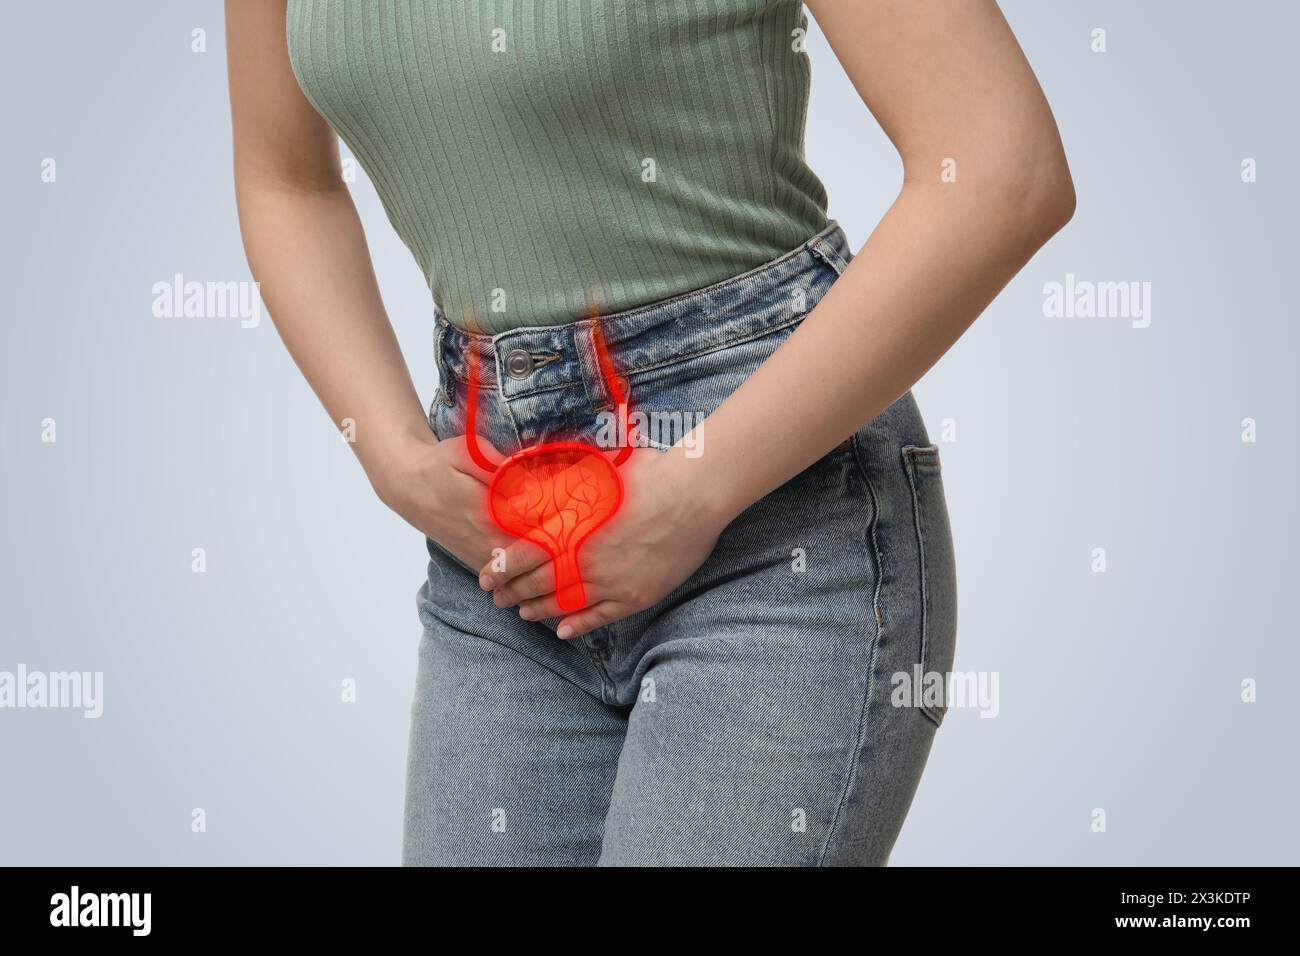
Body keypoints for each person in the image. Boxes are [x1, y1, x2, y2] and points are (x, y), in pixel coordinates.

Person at [225, 0, 1074, 865]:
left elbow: (1003, 169)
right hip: (497, 554)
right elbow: (285, 180)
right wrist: (392, 458)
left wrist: (695, 489)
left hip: (773, 514)